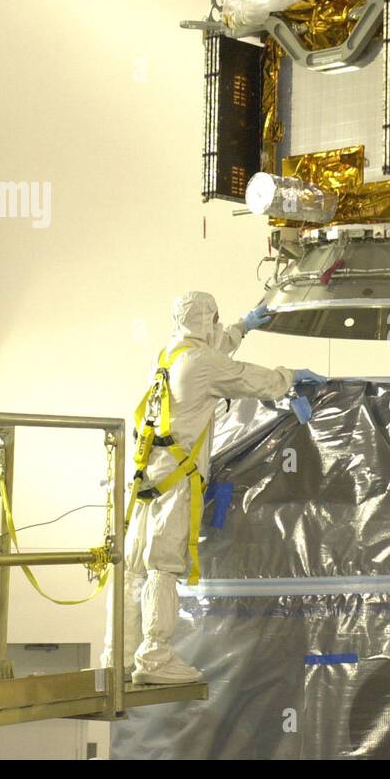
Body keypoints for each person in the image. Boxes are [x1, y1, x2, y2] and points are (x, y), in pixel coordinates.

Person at [102, 291, 325, 684]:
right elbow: (251, 379)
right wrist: (289, 377)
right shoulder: (202, 363)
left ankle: (116, 656)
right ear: (204, 320)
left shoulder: (172, 354)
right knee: (164, 566)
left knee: (135, 567)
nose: (219, 325)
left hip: (150, 476)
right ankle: (155, 658)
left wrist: (242, 327)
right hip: (176, 480)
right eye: (216, 319)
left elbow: (211, 355)